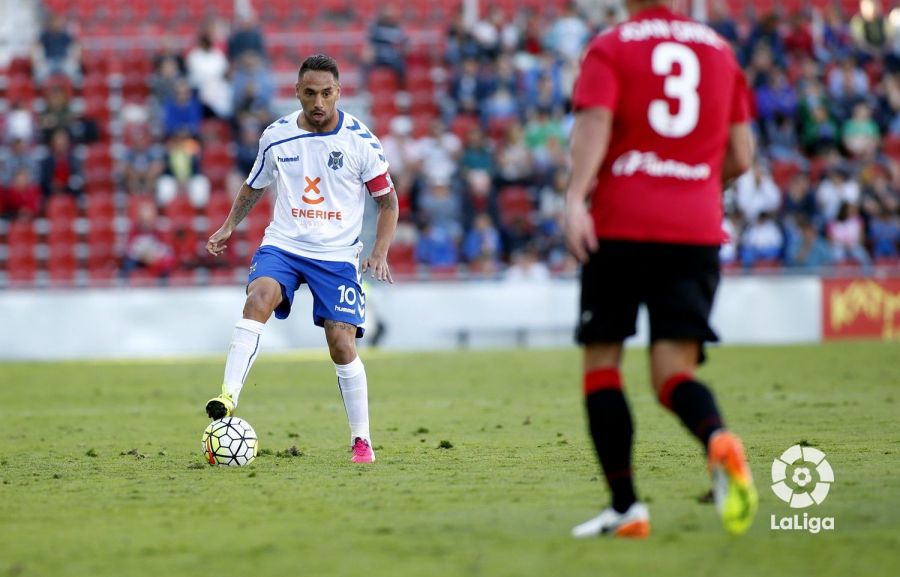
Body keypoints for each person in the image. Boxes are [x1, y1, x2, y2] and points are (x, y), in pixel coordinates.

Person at [564, 0, 757, 538]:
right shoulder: (721, 52)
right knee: (673, 372)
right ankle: (718, 439)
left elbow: (595, 123)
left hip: (622, 223)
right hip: (695, 230)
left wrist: (576, 198)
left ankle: (626, 508)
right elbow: (742, 156)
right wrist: (691, 189)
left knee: (603, 360)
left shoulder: (611, 46)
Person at [205, 55, 399, 464]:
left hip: (337, 256)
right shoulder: (276, 136)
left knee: (341, 344)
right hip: (285, 246)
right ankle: (227, 397)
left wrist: (379, 251)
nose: (318, 102)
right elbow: (252, 187)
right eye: (310, 93)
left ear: (338, 92)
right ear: (296, 93)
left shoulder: (360, 142)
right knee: (258, 297)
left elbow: (388, 202)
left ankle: (361, 440)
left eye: (326, 93)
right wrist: (227, 227)